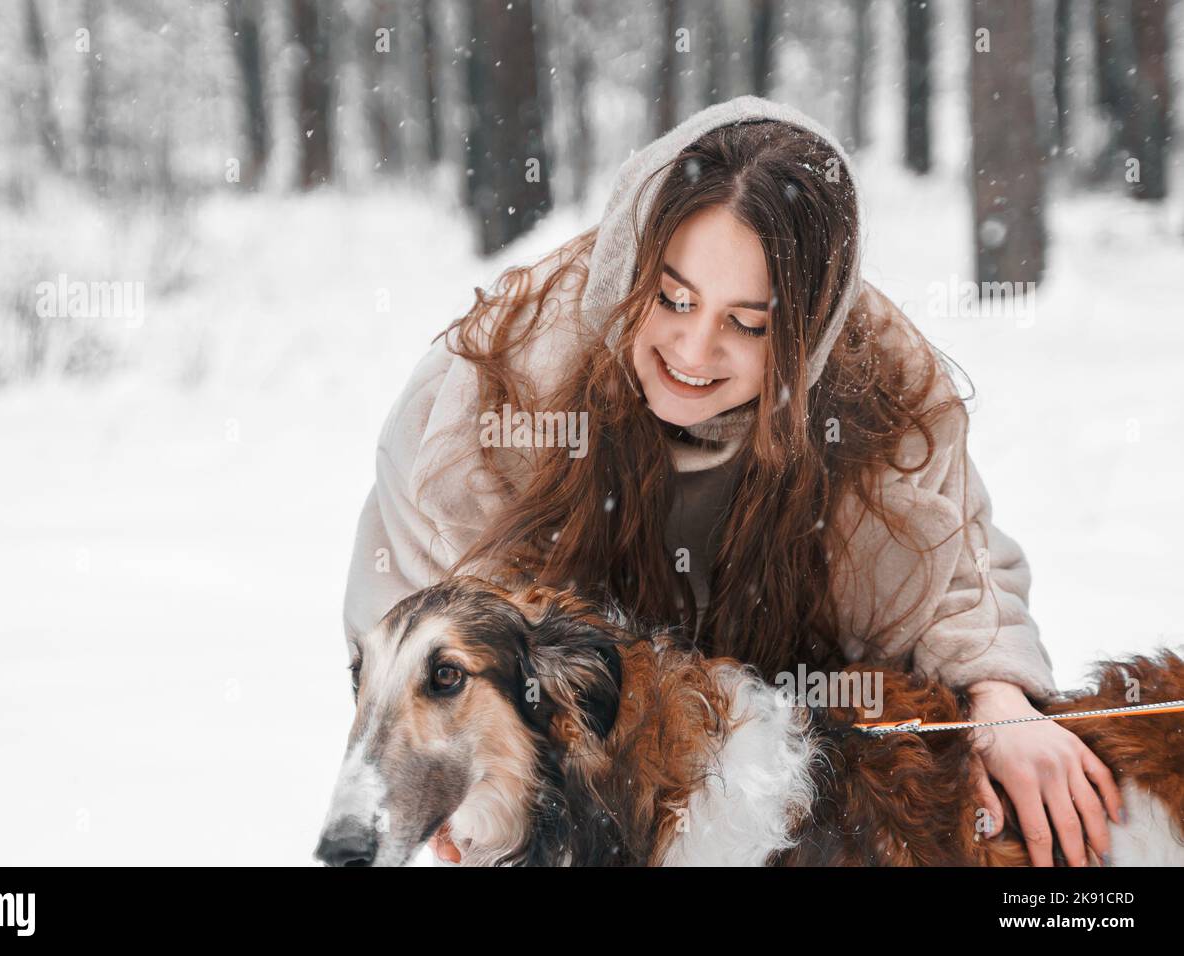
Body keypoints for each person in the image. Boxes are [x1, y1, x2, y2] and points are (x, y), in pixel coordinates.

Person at [342, 95, 1124, 867]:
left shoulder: (881, 388)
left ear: (805, 334)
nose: (693, 348)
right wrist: (458, 786)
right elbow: (412, 620)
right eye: (673, 297)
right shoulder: (503, 386)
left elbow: (955, 567)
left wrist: (996, 693)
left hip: (792, 788)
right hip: (585, 790)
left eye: (748, 324)